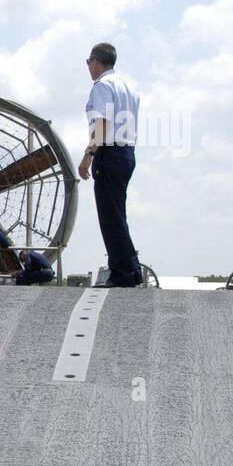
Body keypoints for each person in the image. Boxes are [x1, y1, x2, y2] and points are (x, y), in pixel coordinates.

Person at [78, 42, 142, 288]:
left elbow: (102, 123)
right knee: (118, 214)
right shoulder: (129, 87)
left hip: (109, 152)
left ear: (96, 61)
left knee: (110, 216)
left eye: (88, 62)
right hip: (127, 151)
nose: (88, 68)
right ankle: (132, 269)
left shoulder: (103, 86)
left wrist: (89, 153)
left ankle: (123, 272)